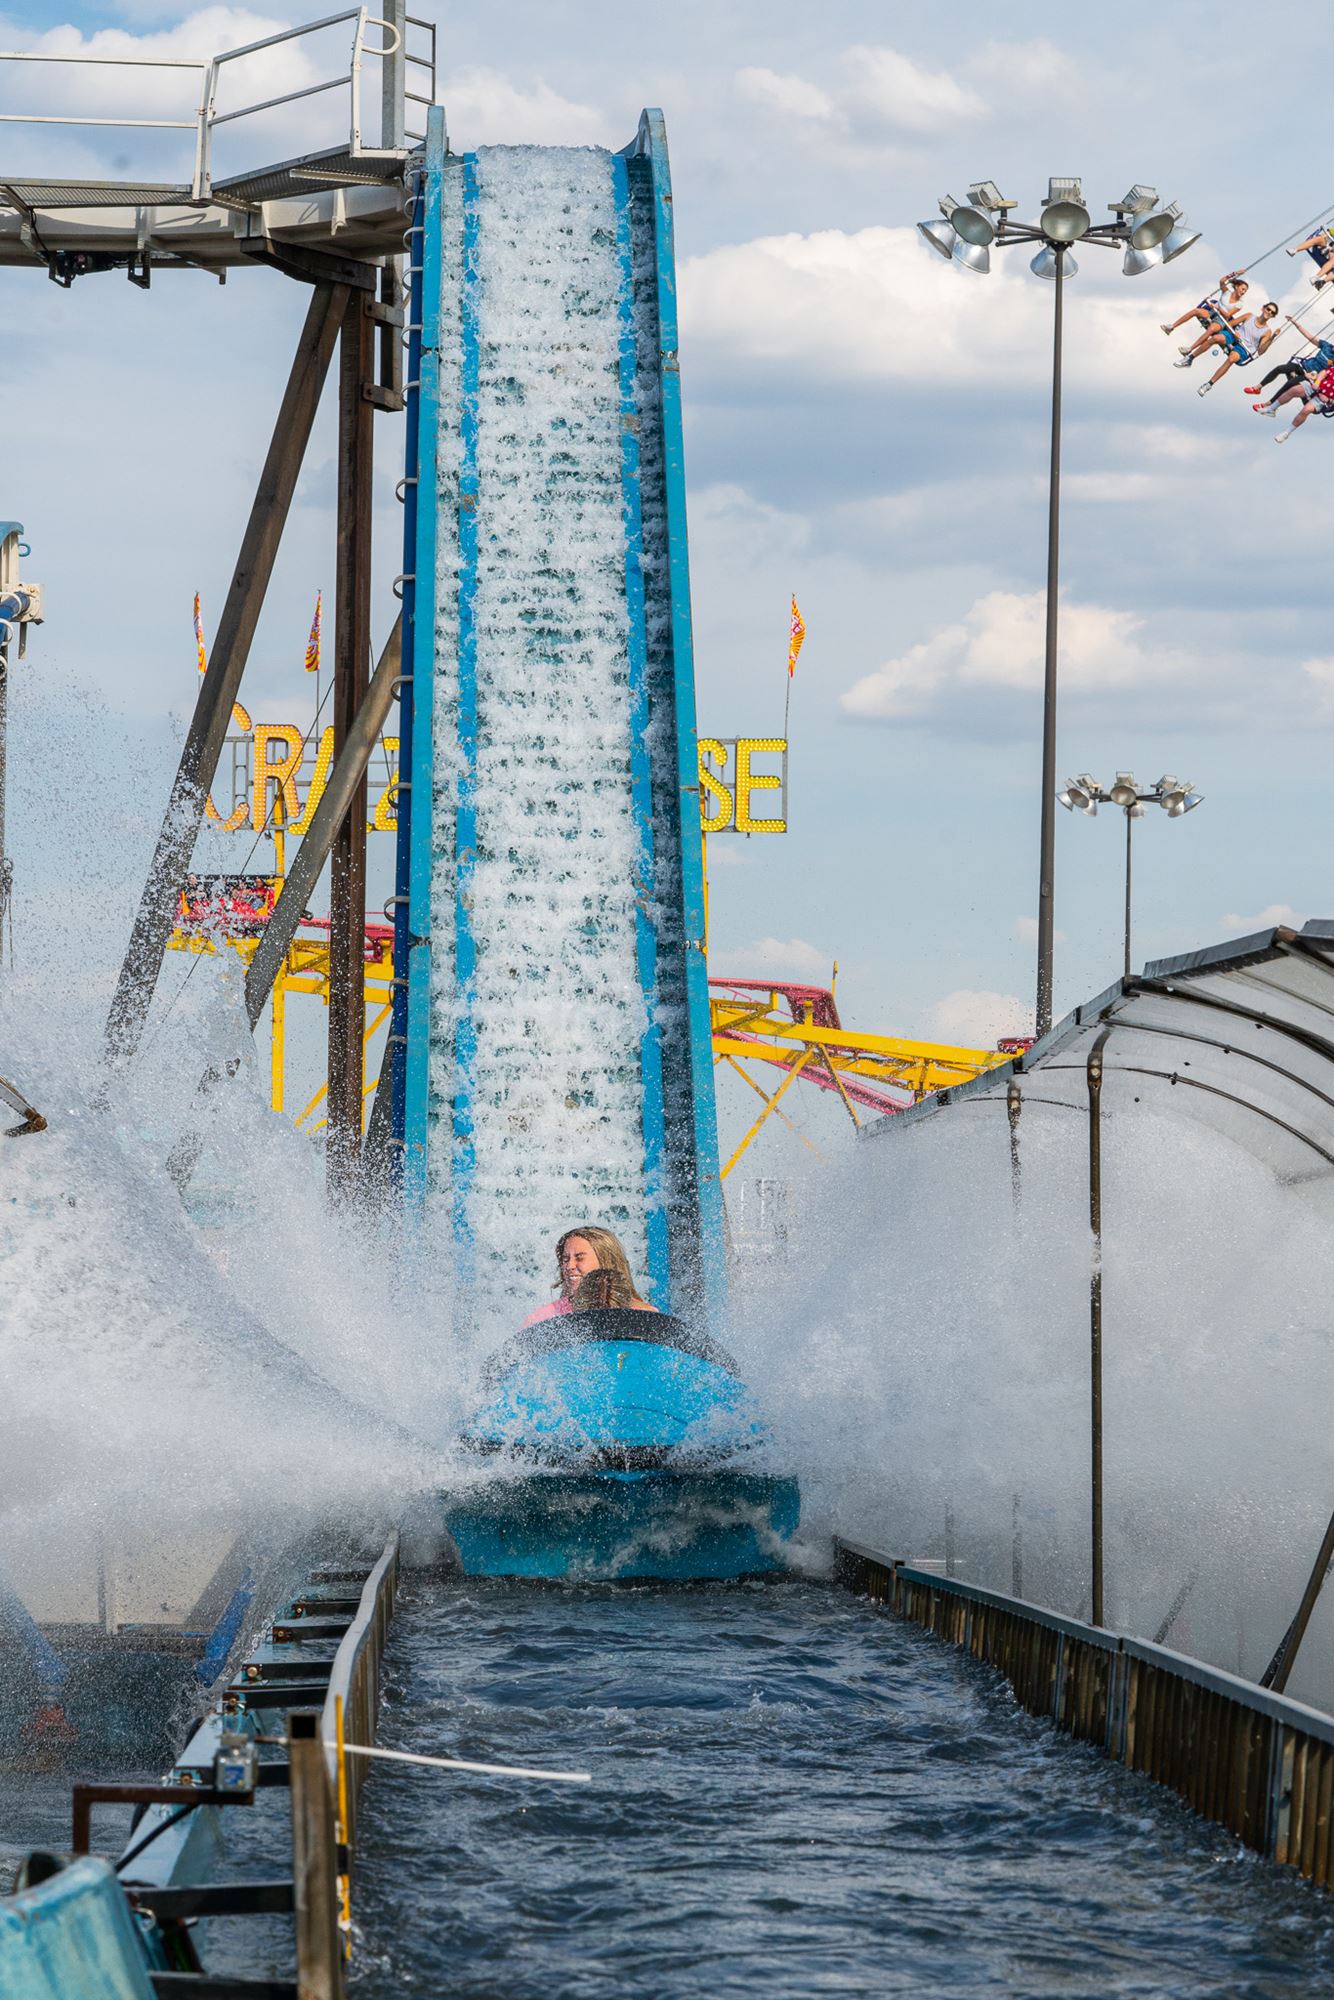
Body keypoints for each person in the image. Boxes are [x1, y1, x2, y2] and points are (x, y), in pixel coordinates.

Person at [521, 1225, 658, 1326]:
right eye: (565, 1259)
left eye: (579, 1258)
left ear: (606, 1261)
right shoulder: (542, 1319)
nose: (569, 1266)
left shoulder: (645, 1315)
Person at [1174, 301, 1280, 395]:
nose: (1269, 312)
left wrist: (1273, 337)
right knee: (1216, 338)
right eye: (1268, 309)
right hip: (1234, 337)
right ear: (1263, 308)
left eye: (1272, 313)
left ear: (1272, 316)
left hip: (1244, 348)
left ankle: (1209, 384)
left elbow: (1261, 351)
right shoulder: (1249, 316)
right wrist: (1234, 333)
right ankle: (1190, 358)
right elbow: (1230, 324)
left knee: (1232, 358)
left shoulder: (1267, 332)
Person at [1244, 321, 1334, 410]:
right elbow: (1310, 337)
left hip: (1311, 376)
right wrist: (1297, 324)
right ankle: (1257, 388)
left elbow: (1327, 374)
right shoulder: (1326, 346)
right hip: (1303, 366)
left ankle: (1268, 403)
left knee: (1290, 384)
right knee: (1280, 368)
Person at [1160, 273, 1248, 341]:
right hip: (1212, 312)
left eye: (1245, 291)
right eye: (1243, 289)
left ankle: (1190, 350)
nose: (1243, 292)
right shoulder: (1227, 292)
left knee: (1211, 329)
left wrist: (1218, 308)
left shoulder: (1240, 304)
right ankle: (1171, 327)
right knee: (1195, 311)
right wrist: (1234, 273)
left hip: (1221, 319)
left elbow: (1228, 315)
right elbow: (1221, 281)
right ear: (1236, 287)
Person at [1272, 362, 1334, 441]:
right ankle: (1271, 408)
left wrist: (1329, 400)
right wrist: (1317, 383)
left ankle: (1286, 433)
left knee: (1306, 410)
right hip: (1317, 387)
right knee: (1294, 390)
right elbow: (1324, 372)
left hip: (1324, 400)